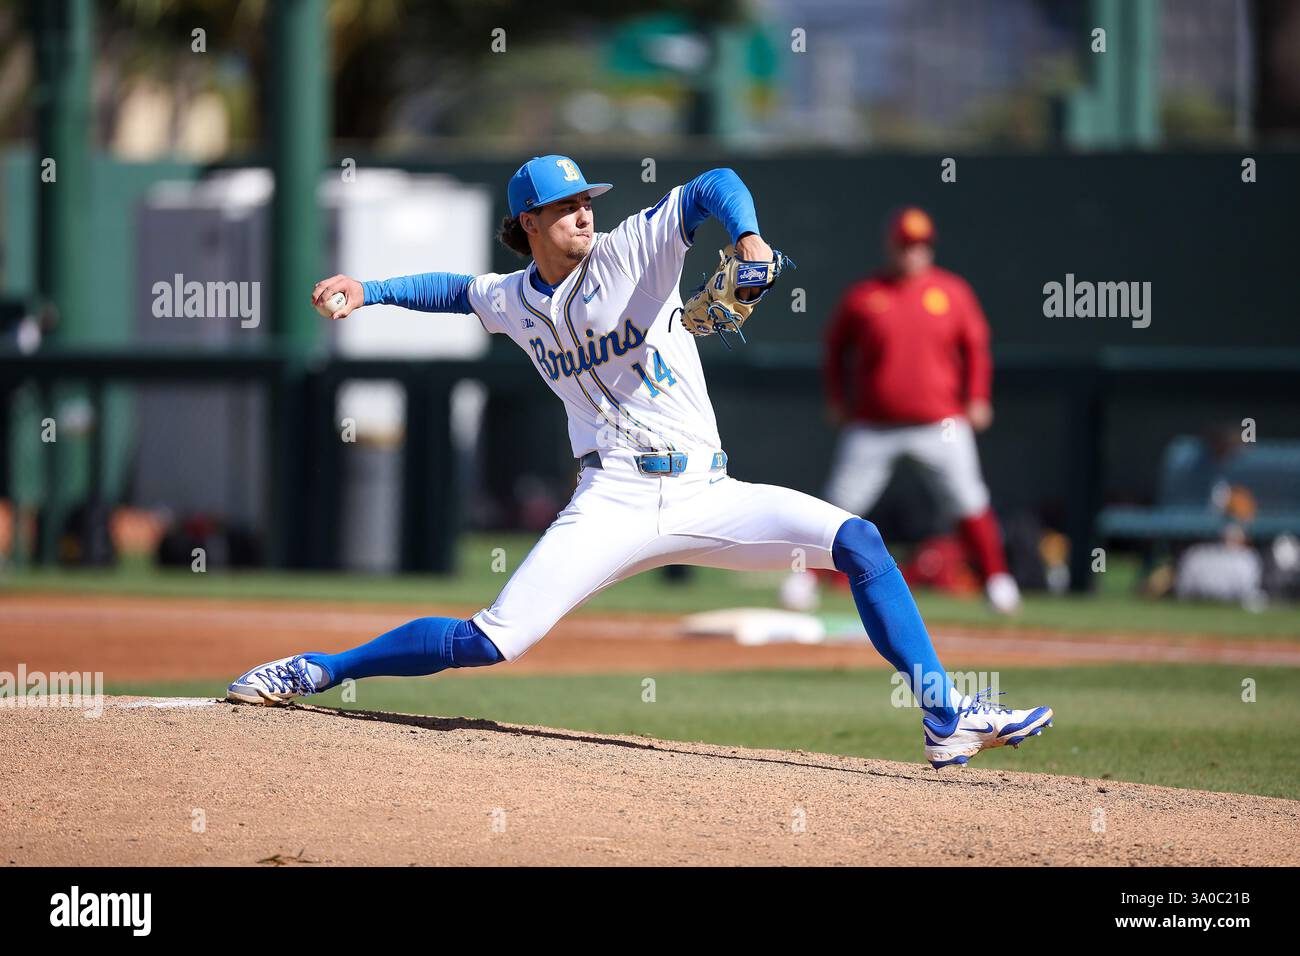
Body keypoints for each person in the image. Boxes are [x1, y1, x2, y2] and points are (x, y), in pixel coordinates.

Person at [227, 158, 1052, 768]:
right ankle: (321, 670)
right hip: (613, 499)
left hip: (707, 489)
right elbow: (454, 288)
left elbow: (710, 187)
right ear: (527, 227)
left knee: (860, 543)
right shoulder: (515, 300)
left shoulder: (630, 253)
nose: (584, 214)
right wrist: (367, 290)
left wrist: (751, 237)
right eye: (564, 207)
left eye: (586, 201)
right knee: (490, 640)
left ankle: (944, 716)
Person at [783, 207, 1022, 615]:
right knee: (838, 505)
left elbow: (976, 350)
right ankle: (803, 581)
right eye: (906, 245)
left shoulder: (952, 292)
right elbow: (835, 349)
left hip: (940, 423)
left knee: (968, 500)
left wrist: (978, 396)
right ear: (891, 246)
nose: (913, 253)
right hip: (874, 424)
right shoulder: (865, 295)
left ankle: (998, 582)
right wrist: (837, 399)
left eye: (921, 246)